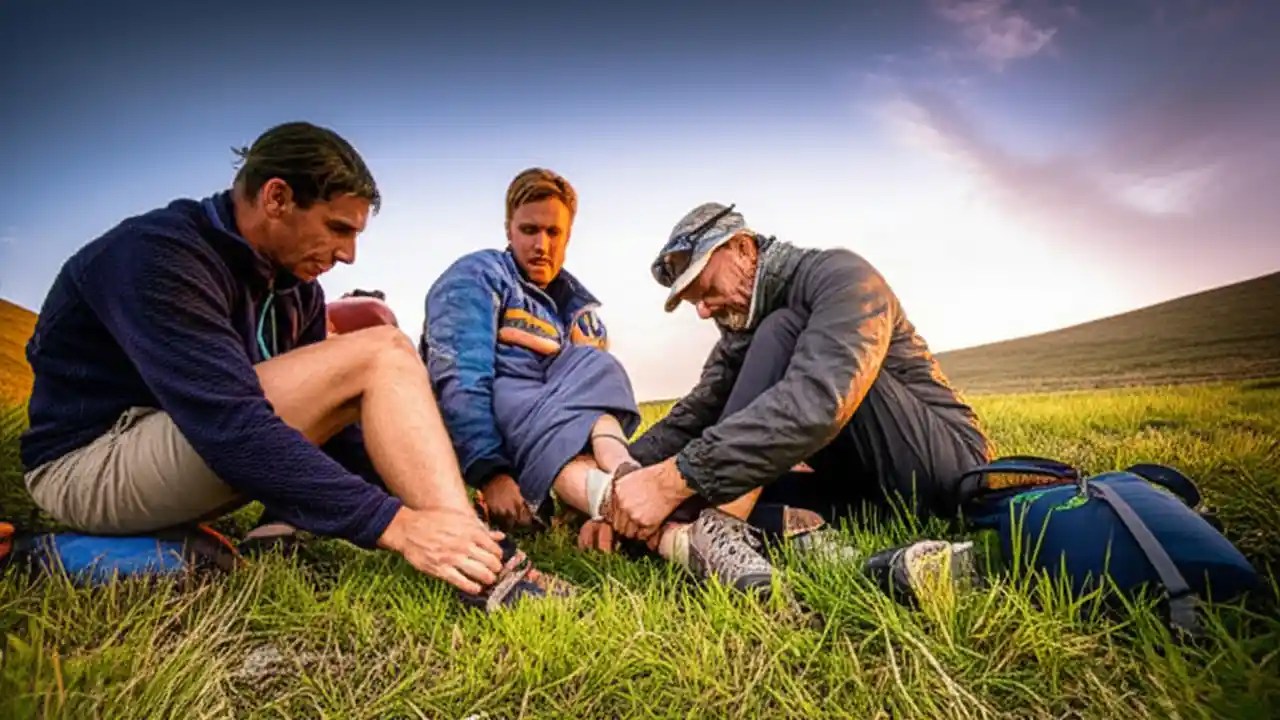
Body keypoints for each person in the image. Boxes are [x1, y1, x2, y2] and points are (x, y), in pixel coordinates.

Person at [20, 121, 557, 609]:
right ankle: (488, 574)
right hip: (85, 463)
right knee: (382, 349)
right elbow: (234, 429)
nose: (349, 255)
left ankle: (470, 547)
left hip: (173, 453)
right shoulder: (161, 256)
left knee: (374, 360)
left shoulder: (297, 291)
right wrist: (398, 525)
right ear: (277, 197)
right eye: (338, 228)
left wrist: (419, 494)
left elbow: (333, 429)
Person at [422, 169, 777, 593]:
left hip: (568, 432)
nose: (541, 245)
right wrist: (490, 472)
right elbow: (459, 375)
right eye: (529, 230)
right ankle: (677, 539)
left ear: (568, 236)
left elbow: (593, 400)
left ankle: (626, 484)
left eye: (554, 232)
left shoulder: (581, 312)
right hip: (507, 424)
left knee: (595, 364)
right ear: (508, 229)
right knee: (522, 392)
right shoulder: (478, 277)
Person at [608, 201, 995, 551]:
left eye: (704, 289)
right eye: (695, 302)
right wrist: (619, 480)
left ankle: (722, 527)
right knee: (685, 501)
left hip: (948, 473)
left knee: (782, 329)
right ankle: (726, 528)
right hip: (862, 490)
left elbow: (817, 403)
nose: (704, 312)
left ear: (743, 248)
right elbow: (697, 414)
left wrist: (672, 480)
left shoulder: (843, 278)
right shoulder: (745, 331)